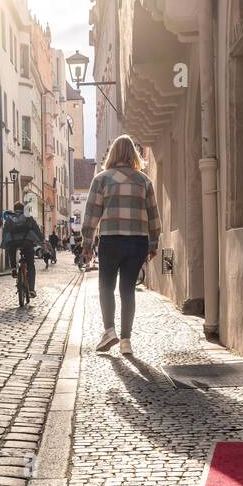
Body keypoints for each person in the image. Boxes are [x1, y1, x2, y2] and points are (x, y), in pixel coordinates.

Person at [81, 134, 161, 356]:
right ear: (134, 155)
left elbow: (91, 215)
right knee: (128, 290)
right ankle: (126, 341)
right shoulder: (144, 181)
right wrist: (153, 243)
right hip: (137, 242)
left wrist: (87, 243)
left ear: (112, 154)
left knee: (106, 286)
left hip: (111, 240)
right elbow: (154, 216)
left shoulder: (102, 179)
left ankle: (109, 331)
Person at [1, 202, 42, 296]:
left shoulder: (9, 217)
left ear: (14, 209)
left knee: (11, 249)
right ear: (23, 209)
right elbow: (36, 229)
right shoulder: (28, 217)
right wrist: (41, 240)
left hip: (13, 241)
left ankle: (13, 268)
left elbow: (5, 231)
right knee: (31, 264)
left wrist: (5, 242)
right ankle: (31, 289)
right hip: (27, 242)